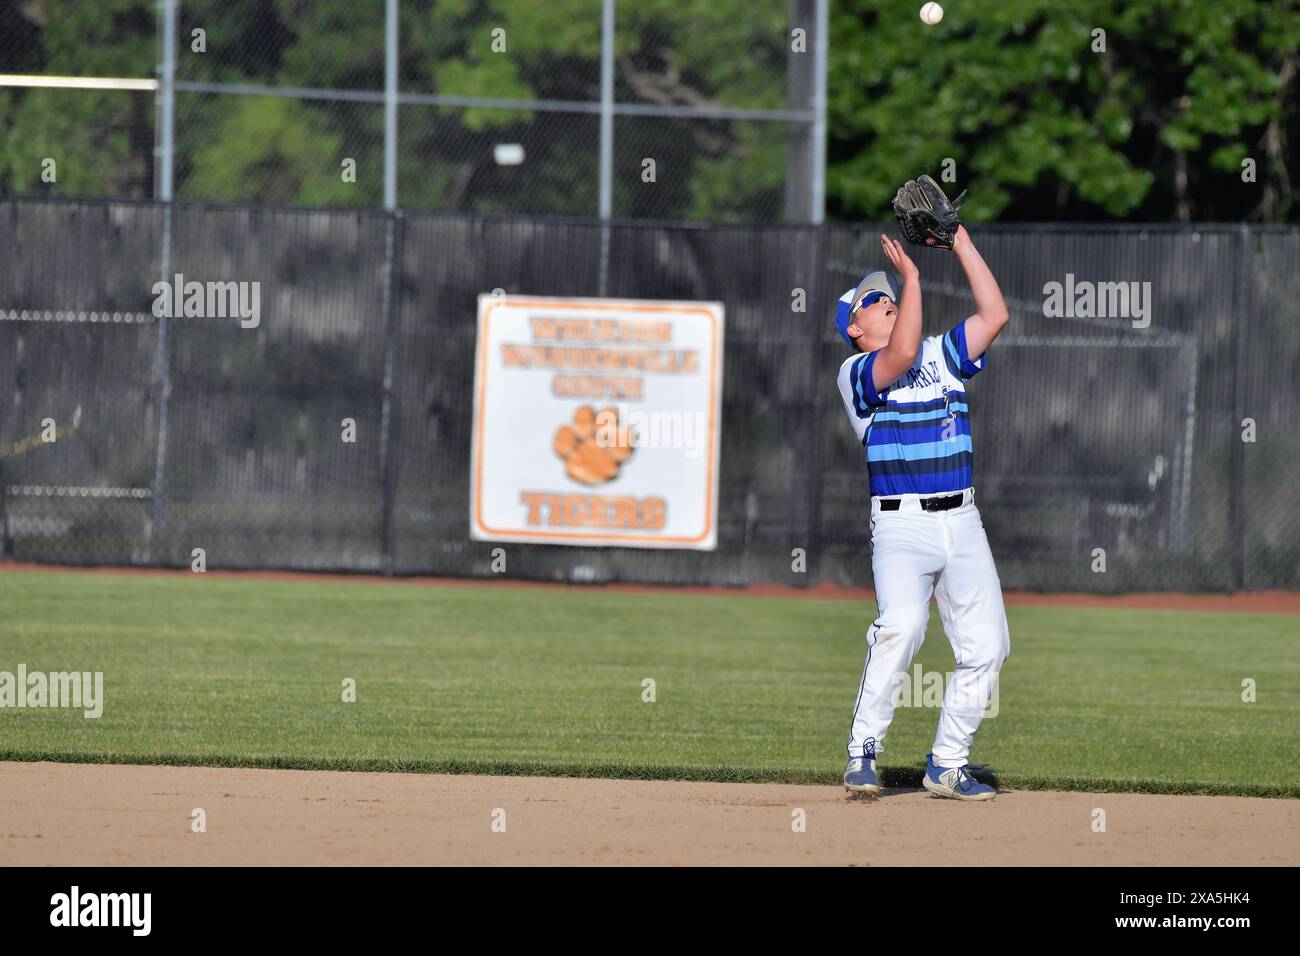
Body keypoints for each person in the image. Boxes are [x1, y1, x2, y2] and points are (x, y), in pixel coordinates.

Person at [833, 227, 1011, 801]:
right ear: (855, 330)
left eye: (888, 295)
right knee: (902, 627)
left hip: (961, 520)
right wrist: (911, 276)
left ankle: (947, 764)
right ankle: (863, 752)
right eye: (872, 301)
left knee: (989, 647)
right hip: (901, 525)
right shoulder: (857, 375)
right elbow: (901, 351)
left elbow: (995, 313)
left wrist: (957, 239)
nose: (884, 301)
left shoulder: (944, 354)